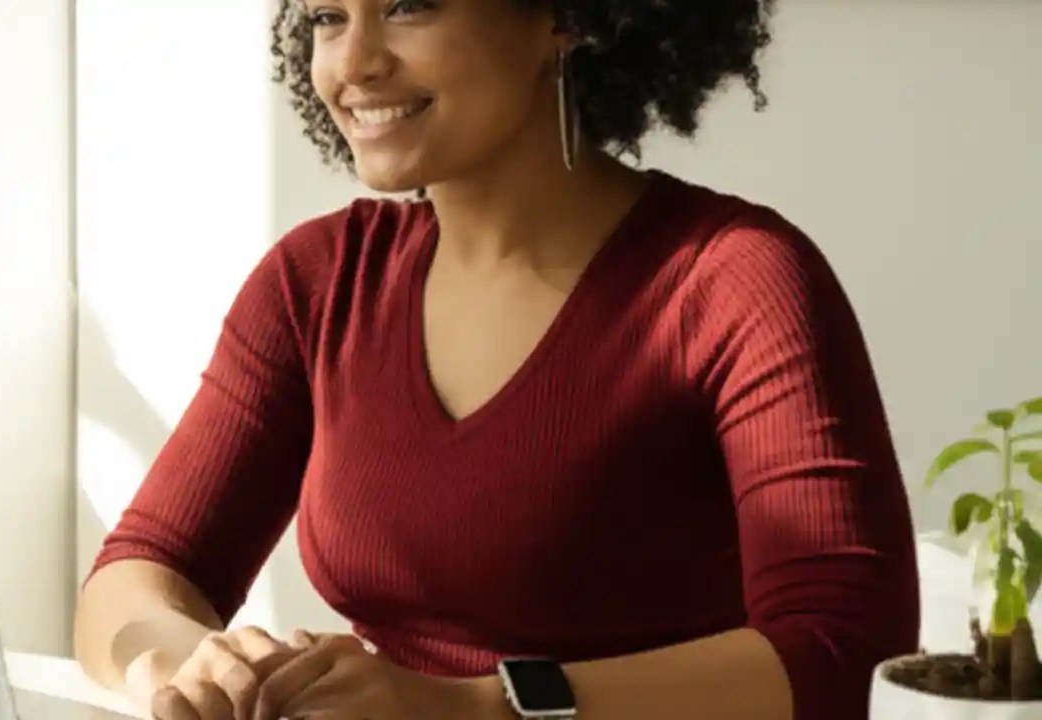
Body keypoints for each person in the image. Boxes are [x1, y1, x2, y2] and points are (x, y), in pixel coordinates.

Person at [73, 0, 921, 718]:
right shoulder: (319, 282)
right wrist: (184, 665)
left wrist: (474, 704)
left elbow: (844, 648)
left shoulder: (735, 278)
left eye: (408, 5)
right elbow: (141, 571)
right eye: (330, 15)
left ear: (561, 17)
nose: (354, 61)